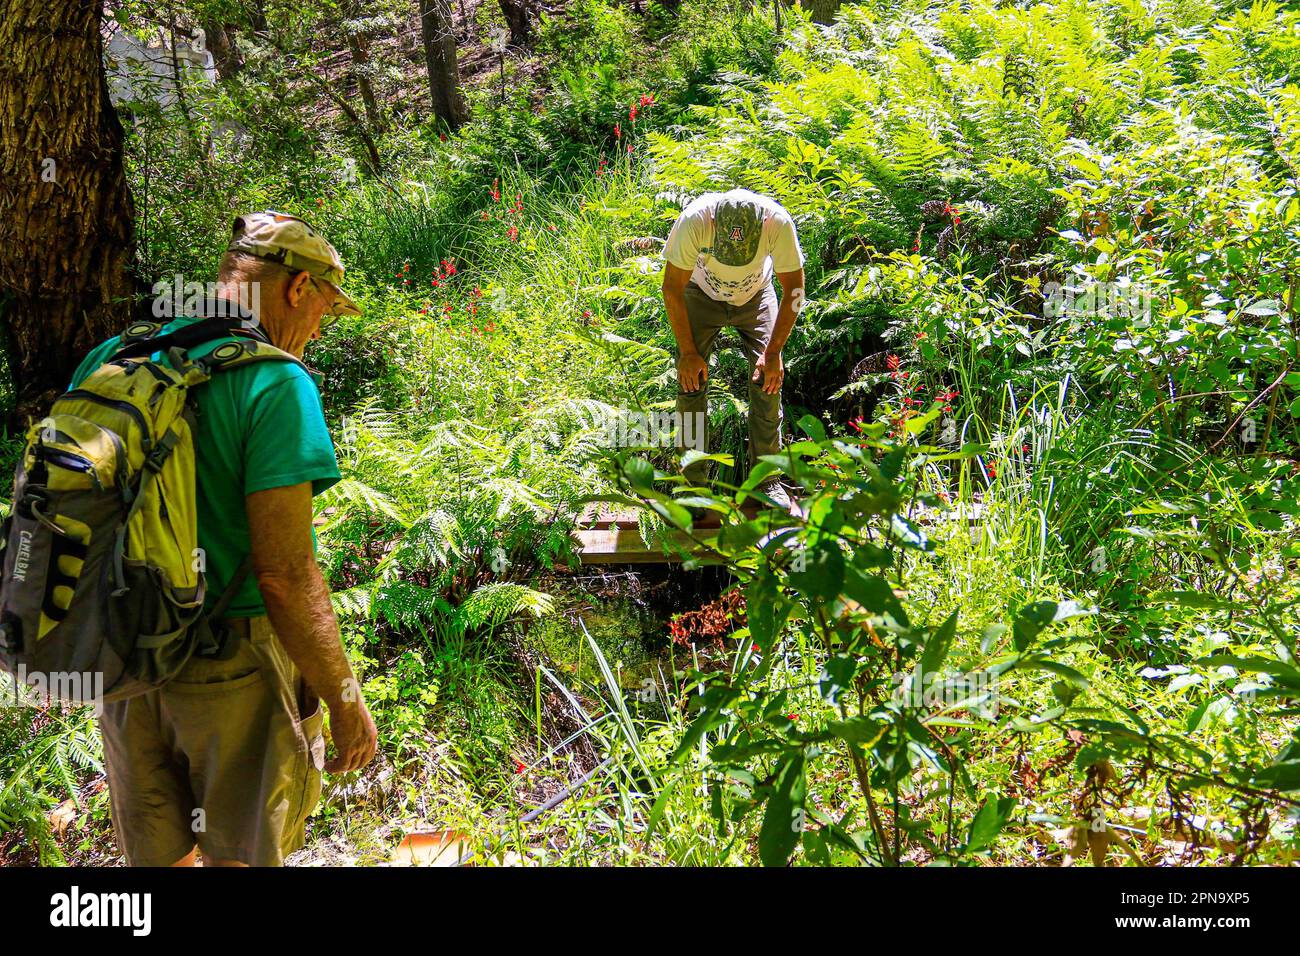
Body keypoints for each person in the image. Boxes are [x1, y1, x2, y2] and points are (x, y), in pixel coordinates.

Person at [69, 211, 378, 866]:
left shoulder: (115, 355)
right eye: (325, 307)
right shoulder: (274, 380)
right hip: (228, 668)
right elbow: (286, 577)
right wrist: (345, 700)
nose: (321, 328)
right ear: (297, 289)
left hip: (122, 664)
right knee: (239, 857)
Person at [661, 188, 805, 507]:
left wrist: (774, 352)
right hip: (701, 294)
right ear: (713, 222)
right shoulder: (694, 220)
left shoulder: (777, 223)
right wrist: (687, 352)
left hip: (757, 296)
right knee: (691, 383)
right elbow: (672, 288)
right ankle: (692, 487)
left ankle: (766, 482)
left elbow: (794, 288)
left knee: (768, 382)